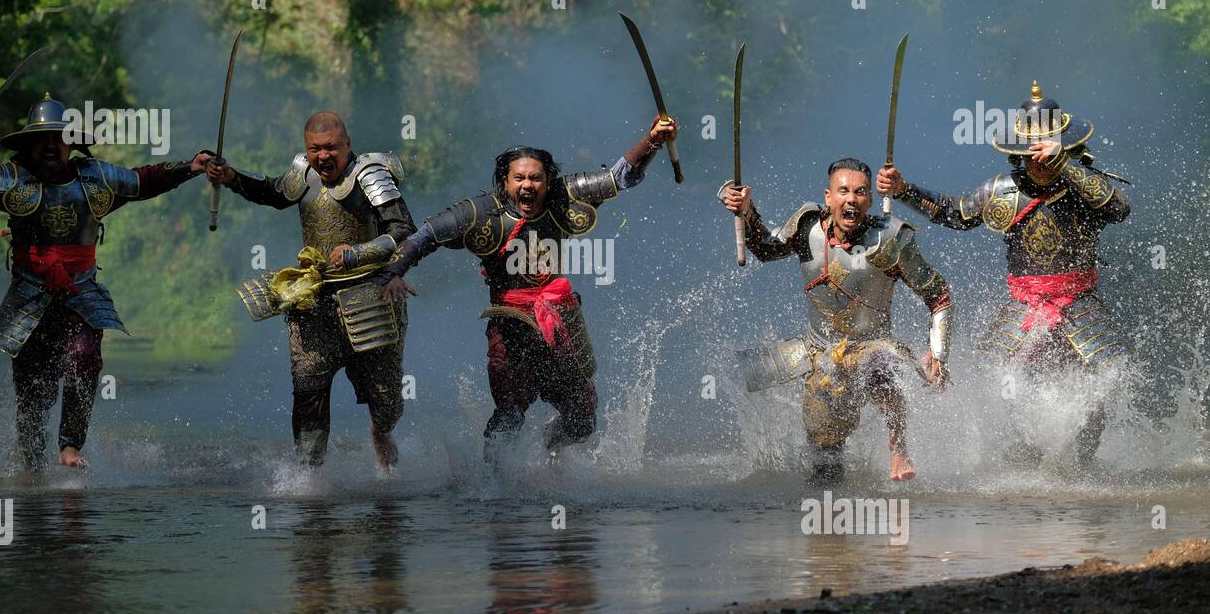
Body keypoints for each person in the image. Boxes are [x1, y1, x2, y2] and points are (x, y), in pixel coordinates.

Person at [375, 117, 677, 465]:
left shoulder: (565, 196)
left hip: (559, 319)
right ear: (506, 182)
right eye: (519, 178)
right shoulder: (481, 212)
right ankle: (491, 488)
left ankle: (552, 447)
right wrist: (394, 272)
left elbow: (621, 178)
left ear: (548, 181)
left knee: (582, 420)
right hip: (511, 323)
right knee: (509, 416)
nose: (528, 185)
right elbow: (425, 236)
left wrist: (652, 140)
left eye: (535, 177)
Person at [0, 92, 213, 472]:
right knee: (33, 395)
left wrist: (190, 167)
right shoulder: (13, 178)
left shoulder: (94, 177)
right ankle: (32, 468)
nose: (52, 145)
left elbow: (141, 180)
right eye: (43, 138)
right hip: (29, 295)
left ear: (71, 142)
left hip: (80, 291)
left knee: (86, 356)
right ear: (31, 144)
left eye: (60, 137)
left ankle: (69, 445)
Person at [876, 80, 1130, 470]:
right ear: (1020, 151)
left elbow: (1119, 208)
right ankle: (1023, 464)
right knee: (1008, 384)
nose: (1041, 160)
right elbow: (954, 214)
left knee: (1098, 387)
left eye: (1049, 152)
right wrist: (905, 189)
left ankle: (1083, 464)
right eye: (1034, 153)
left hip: (1079, 304)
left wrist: (1065, 164)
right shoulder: (1002, 190)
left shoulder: (1084, 185)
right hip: (1024, 307)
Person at [205, 111, 415, 471]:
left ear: (347, 144)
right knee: (308, 388)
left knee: (386, 402)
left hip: (370, 297)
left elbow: (403, 228)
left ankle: (381, 433)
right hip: (313, 300)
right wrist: (233, 177)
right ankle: (309, 474)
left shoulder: (370, 174)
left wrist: (358, 252)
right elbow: (270, 192)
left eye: (331, 147)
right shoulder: (302, 173)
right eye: (315, 148)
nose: (323, 156)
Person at [720, 158, 953, 482]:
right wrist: (746, 210)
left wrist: (938, 354)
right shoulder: (806, 227)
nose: (851, 199)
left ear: (870, 201)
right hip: (820, 351)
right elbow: (766, 249)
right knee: (826, 461)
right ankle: (829, 517)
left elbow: (938, 295)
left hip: (874, 343)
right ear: (828, 197)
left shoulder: (889, 239)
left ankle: (898, 447)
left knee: (881, 368)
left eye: (860, 192)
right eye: (843, 191)